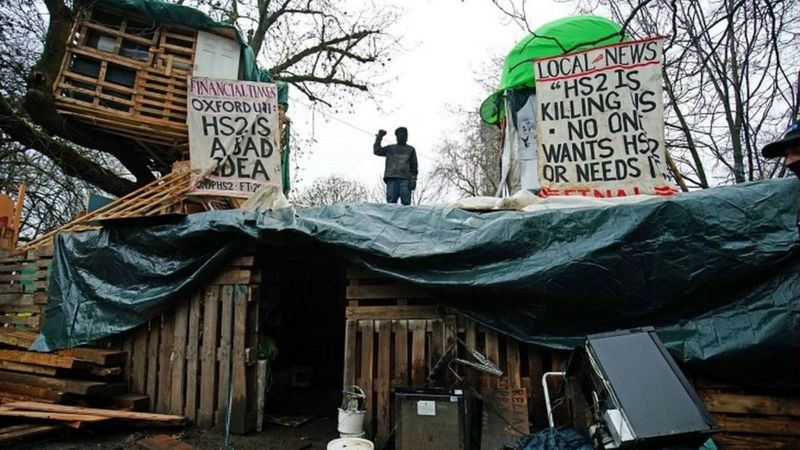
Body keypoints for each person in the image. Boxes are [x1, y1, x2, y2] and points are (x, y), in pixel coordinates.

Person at [373, 127, 418, 205]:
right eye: (401, 134)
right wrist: (379, 137)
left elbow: (414, 166)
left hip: (405, 180)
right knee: (391, 205)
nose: (404, 136)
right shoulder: (390, 148)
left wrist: (413, 179)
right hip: (392, 179)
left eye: (406, 135)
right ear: (397, 136)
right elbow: (377, 151)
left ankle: (406, 217)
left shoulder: (410, 149)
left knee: (406, 205)